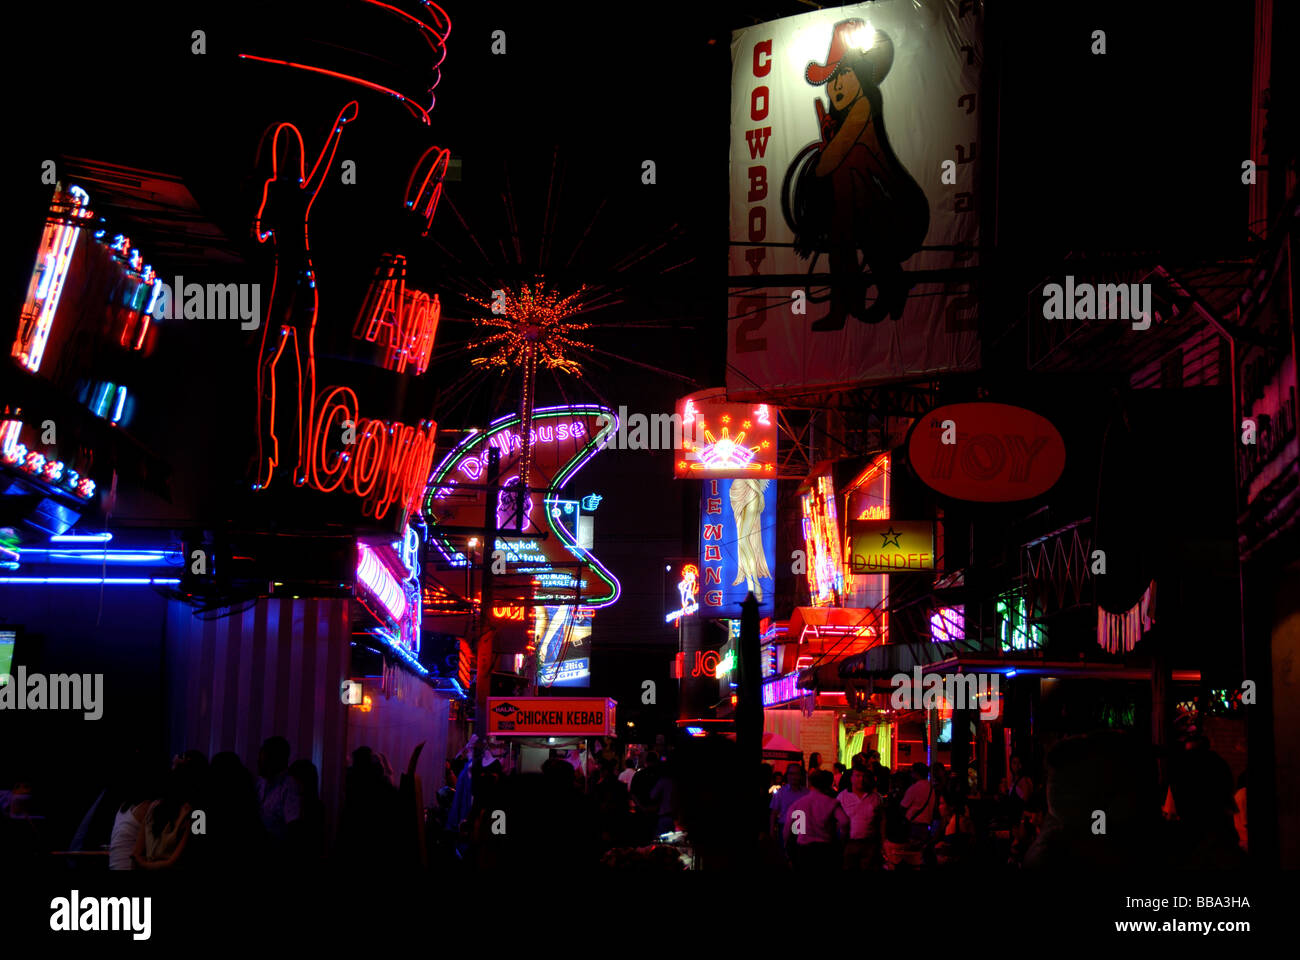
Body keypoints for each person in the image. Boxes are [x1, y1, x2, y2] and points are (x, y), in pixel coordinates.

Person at [786, 769, 840, 870]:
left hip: (803, 848)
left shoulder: (798, 804)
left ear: (810, 783)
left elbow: (790, 829)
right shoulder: (832, 803)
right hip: (825, 847)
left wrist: (788, 850)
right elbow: (844, 821)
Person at [256, 736, 302, 848]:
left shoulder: (289, 786)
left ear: (276, 760)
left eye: (263, 760)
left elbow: (293, 828)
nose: (258, 763)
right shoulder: (261, 782)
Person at [837, 769, 884, 869]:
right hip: (849, 844)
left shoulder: (875, 797)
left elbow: (881, 821)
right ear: (851, 778)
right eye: (857, 776)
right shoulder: (842, 797)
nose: (861, 779)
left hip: (870, 844)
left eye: (864, 776)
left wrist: (882, 843)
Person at [769, 762, 809, 858]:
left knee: (800, 856)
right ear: (787, 775)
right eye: (791, 774)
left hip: (802, 828)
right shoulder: (780, 792)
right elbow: (773, 813)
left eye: (797, 774)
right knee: (785, 855)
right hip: (784, 827)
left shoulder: (807, 793)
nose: (794, 777)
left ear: (800, 776)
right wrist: (771, 831)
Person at [901, 763, 938, 845]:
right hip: (926, 825)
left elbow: (903, 806)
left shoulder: (914, 788)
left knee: (912, 850)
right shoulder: (931, 789)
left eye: (912, 772)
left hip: (914, 825)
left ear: (916, 773)